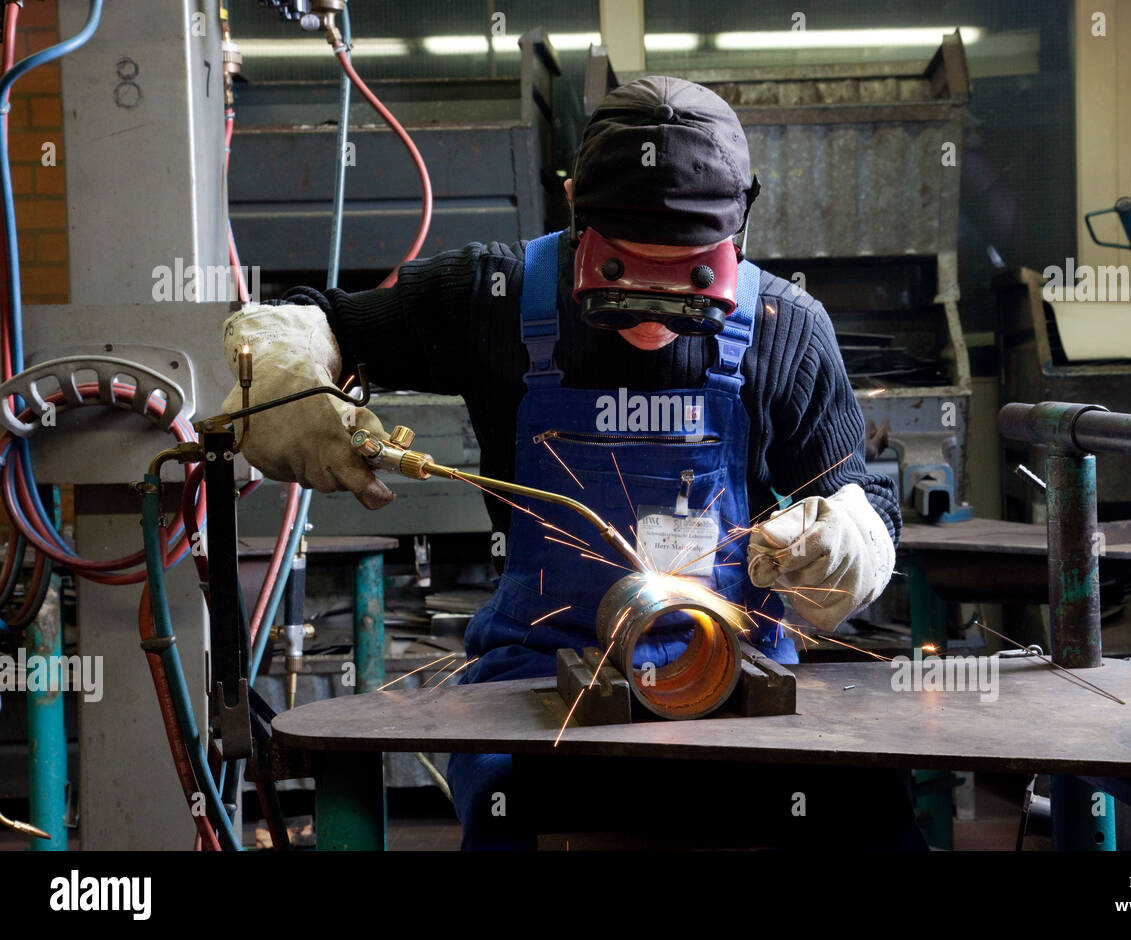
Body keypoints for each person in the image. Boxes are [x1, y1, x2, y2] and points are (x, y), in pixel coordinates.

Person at [223, 76, 925, 850]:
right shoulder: (493, 296)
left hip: (737, 671)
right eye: (625, 276)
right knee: (523, 816)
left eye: (687, 279)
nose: (655, 315)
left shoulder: (784, 327)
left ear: (742, 222)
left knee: (869, 815)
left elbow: (856, 495)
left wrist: (848, 541)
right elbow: (328, 320)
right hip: (538, 674)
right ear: (572, 207)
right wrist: (290, 366)